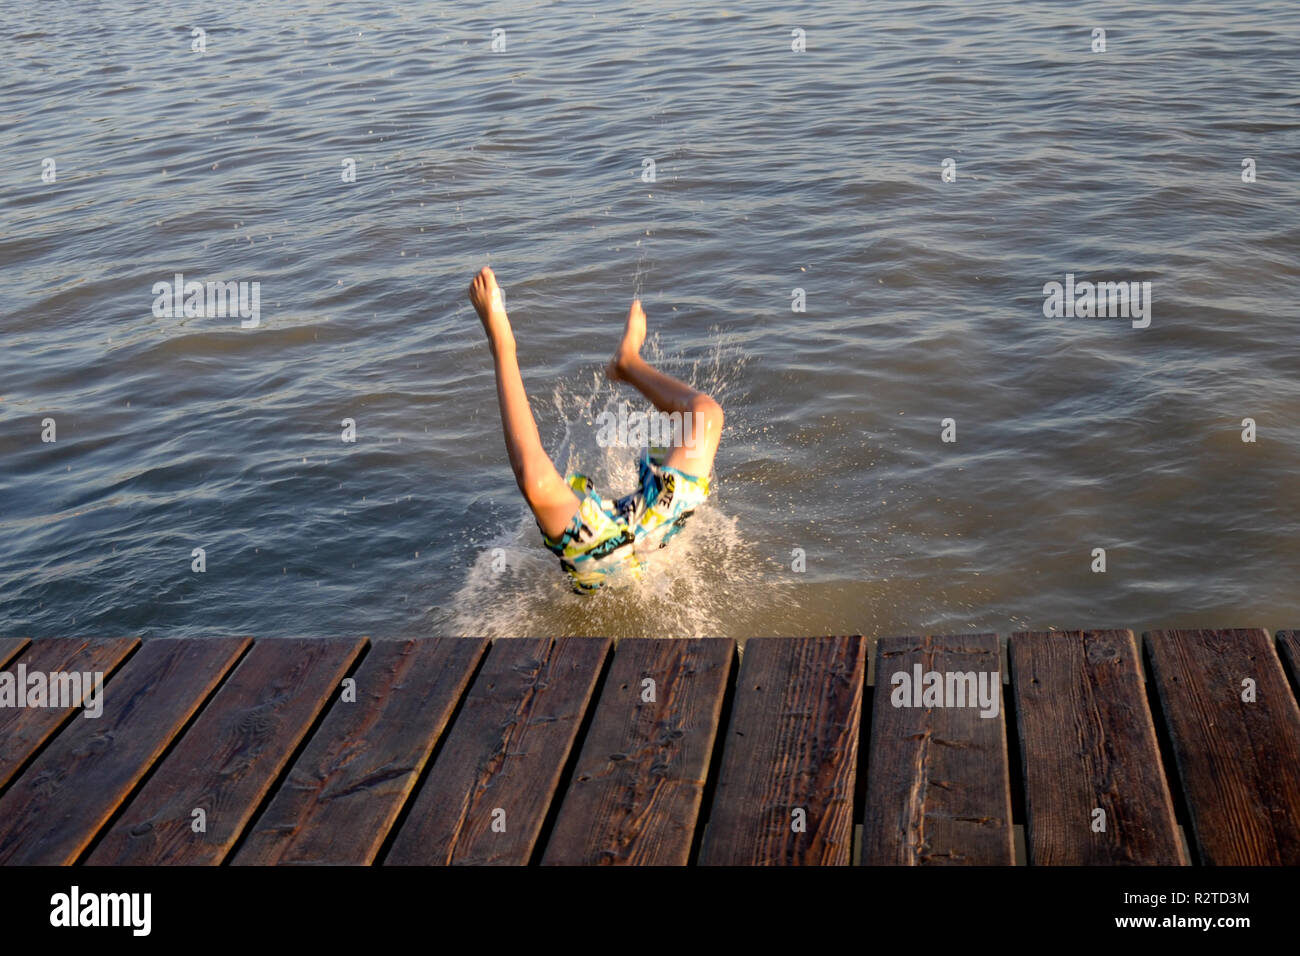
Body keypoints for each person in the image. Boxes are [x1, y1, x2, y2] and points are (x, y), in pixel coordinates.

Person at [468, 266, 724, 593]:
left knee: (535, 480)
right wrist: (500, 338)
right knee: (707, 414)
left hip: (634, 536)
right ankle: (621, 362)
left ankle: (625, 362)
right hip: (608, 547)